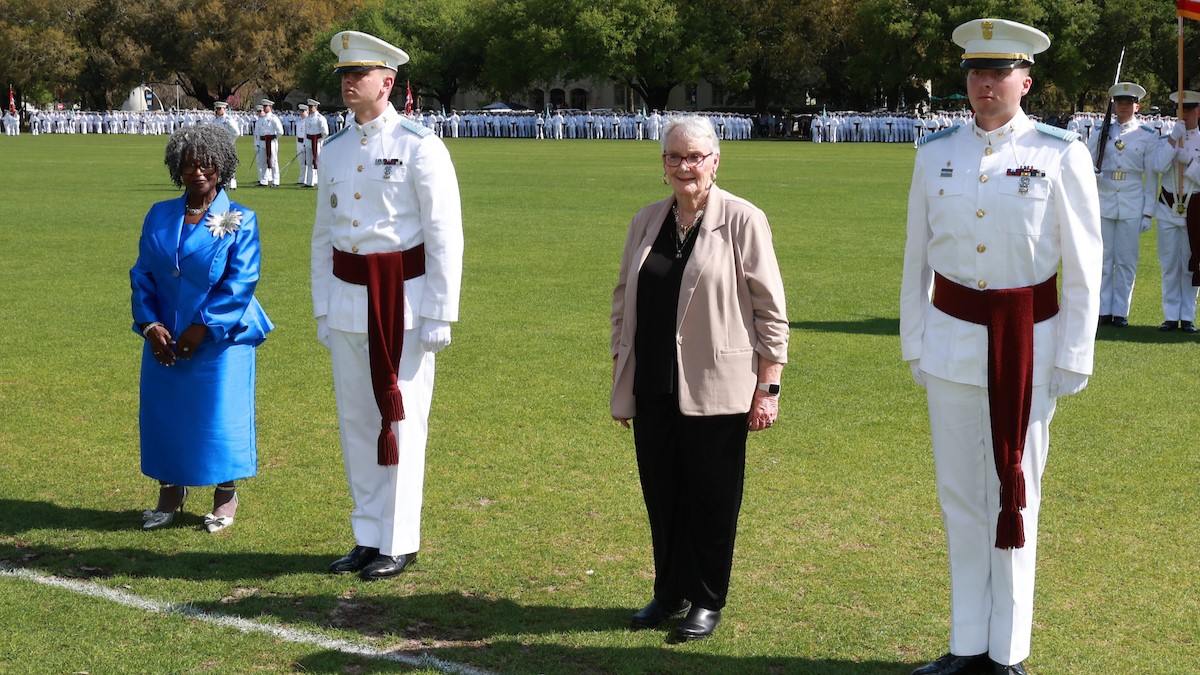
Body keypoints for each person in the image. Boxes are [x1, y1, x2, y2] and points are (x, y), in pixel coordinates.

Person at [900, 19, 1101, 675]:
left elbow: (1084, 263)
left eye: (998, 73)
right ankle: (965, 643)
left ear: (1026, 80)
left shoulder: (1060, 152)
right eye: (975, 73)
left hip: (1029, 343)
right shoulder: (935, 152)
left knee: (1015, 489)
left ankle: (1007, 650)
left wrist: (1075, 350)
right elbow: (916, 259)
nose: (985, 85)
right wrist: (915, 340)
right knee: (961, 495)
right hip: (954, 340)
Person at [610, 114, 789, 642]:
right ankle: (669, 592)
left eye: (695, 156)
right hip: (654, 383)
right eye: (674, 157)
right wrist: (622, 375)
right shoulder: (646, 220)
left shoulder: (743, 219)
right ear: (662, 164)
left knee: (712, 497)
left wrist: (769, 385)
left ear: (715, 160)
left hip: (720, 386)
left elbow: (771, 311)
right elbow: (624, 301)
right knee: (662, 494)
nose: (684, 166)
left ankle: (707, 599)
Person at [311, 30, 463, 581]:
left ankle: (398, 540)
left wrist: (440, 311)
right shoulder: (335, 149)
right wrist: (324, 307)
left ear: (388, 81)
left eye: (360, 74)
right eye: (344, 75)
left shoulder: (422, 146)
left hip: (404, 301)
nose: (350, 83)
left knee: (400, 417)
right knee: (357, 421)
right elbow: (323, 235)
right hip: (350, 298)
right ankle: (366, 535)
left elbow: (445, 233)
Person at [131, 124, 274, 533]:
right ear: (177, 168)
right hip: (165, 338)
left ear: (222, 166)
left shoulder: (240, 219)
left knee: (218, 416)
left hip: (221, 340)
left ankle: (225, 495)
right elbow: (143, 273)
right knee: (165, 416)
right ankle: (170, 493)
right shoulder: (159, 214)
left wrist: (202, 326)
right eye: (189, 164)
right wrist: (149, 324)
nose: (198, 172)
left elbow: (241, 282)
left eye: (207, 164)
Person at [1087, 82, 1160, 328]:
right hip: (1104, 198)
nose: (1124, 107)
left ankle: (1120, 311)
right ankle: (1103, 309)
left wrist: (1148, 212)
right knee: (1104, 258)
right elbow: (1087, 162)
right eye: (1120, 102)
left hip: (1131, 200)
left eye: (1128, 102)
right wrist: (1093, 174)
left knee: (1126, 260)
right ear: (1114, 105)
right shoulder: (1101, 131)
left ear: (1136, 106)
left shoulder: (1147, 135)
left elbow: (1151, 177)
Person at [1148, 90, 1200, 333]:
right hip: (1169, 208)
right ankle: (1170, 315)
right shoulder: (1165, 140)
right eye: (1182, 110)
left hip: (1194, 209)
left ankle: (1188, 316)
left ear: (1198, 111)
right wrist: (1172, 142)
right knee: (1169, 264)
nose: (1186, 114)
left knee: (1191, 264)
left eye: (1190, 109)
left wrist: (1188, 161)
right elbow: (1157, 165)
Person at [211, 102, 241, 190]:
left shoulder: (228, 119)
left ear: (224, 109)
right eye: (217, 108)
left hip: (227, 146)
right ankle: (222, 182)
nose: (218, 110)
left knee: (229, 164)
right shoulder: (215, 121)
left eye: (220, 108)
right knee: (219, 164)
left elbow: (236, 132)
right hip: (217, 145)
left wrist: (228, 141)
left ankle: (232, 183)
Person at [254, 98, 284, 187]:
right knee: (263, 162)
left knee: (274, 161)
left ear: (270, 107)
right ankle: (264, 180)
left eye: (266, 106)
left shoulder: (273, 118)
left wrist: (274, 137)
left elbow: (280, 131)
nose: (264, 108)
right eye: (263, 106)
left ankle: (276, 181)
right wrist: (258, 143)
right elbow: (258, 132)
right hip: (262, 141)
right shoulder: (261, 119)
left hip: (271, 142)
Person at [303, 98, 329, 188]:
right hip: (309, 141)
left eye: (311, 106)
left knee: (318, 162)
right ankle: (310, 182)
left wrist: (319, 140)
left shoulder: (320, 118)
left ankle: (321, 181)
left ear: (316, 107)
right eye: (309, 107)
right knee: (309, 162)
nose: (310, 108)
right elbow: (306, 131)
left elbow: (325, 132)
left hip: (317, 142)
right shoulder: (308, 118)